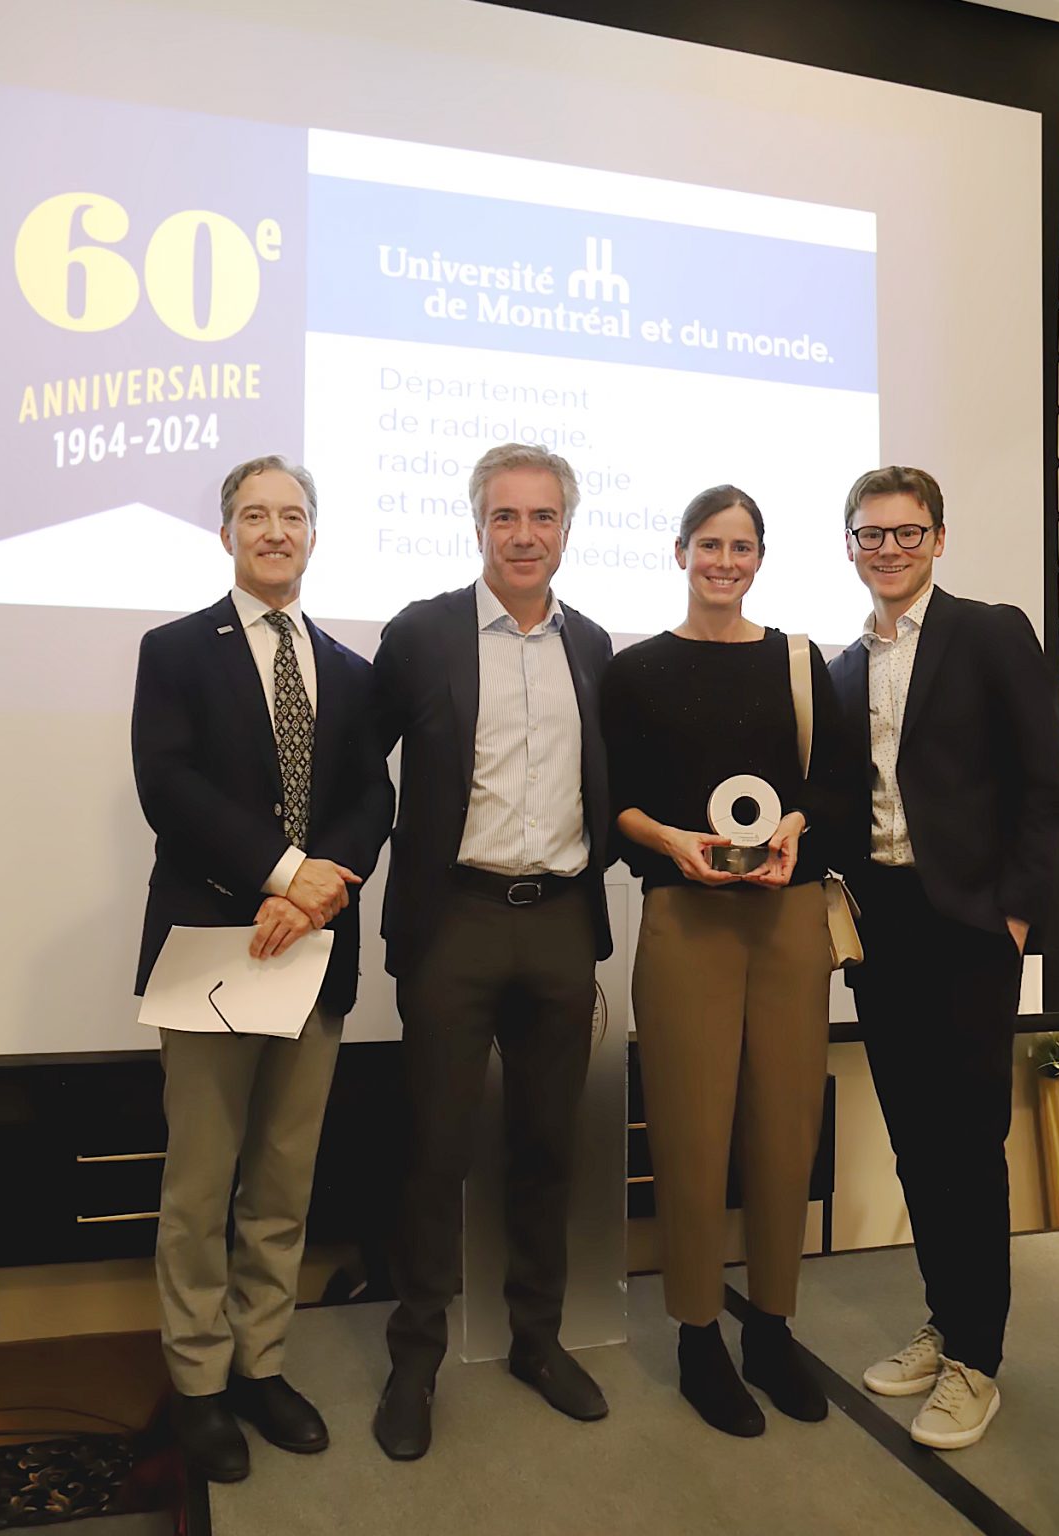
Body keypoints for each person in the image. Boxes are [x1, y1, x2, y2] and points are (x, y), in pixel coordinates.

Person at [132, 455, 394, 1482]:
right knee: (200, 1185)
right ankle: (197, 1384)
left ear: (314, 534)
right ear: (228, 532)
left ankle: (259, 1364)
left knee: (282, 1183)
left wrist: (326, 886)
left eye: (292, 515)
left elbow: (370, 799)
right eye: (255, 514)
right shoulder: (174, 651)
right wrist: (285, 873)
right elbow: (169, 785)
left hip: (312, 956)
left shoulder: (353, 670)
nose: (274, 530)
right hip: (212, 947)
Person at [370, 443, 615, 1460]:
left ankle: (535, 1339)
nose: (525, 536)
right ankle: (414, 1360)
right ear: (477, 526)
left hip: (559, 919)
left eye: (543, 517)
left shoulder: (594, 646)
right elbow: (354, 771)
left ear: (566, 527)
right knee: (433, 1151)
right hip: (454, 920)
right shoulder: (421, 635)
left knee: (547, 1148)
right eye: (506, 518)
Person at [829, 465, 1059, 1449]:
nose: (887, 549)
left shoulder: (987, 631)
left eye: (905, 532)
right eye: (869, 534)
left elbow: (1041, 785)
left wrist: (1014, 916)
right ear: (847, 545)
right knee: (912, 1140)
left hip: (967, 926)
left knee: (968, 1149)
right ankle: (946, 1321)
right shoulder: (842, 666)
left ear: (938, 539)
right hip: (879, 928)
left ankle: (977, 1360)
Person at [601, 484, 846, 1438]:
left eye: (741, 546)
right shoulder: (634, 672)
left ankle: (772, 1329)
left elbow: (828, 785)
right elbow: (612, 799)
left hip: (785, 917)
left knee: (785, 1130)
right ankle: (698, 1335)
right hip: (683, 918)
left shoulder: (796, 661)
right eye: (709, 544)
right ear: (678, 552)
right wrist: (669, 842)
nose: (725, 561)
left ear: (758, 558)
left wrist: (789, 825)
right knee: (691, 1134)